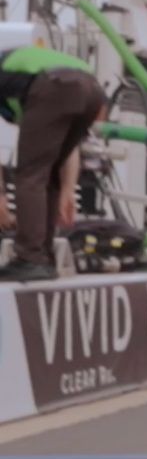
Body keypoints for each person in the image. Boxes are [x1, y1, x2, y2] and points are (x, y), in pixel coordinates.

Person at [1, 44, 107, 282]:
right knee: (44, 174)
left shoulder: (11, 77)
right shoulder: (17, 80)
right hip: (92, 89)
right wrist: (68, 189)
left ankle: (30, 259)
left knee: (30, 175)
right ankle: (44, 259)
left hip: (55, 85)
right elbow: (58, 150)